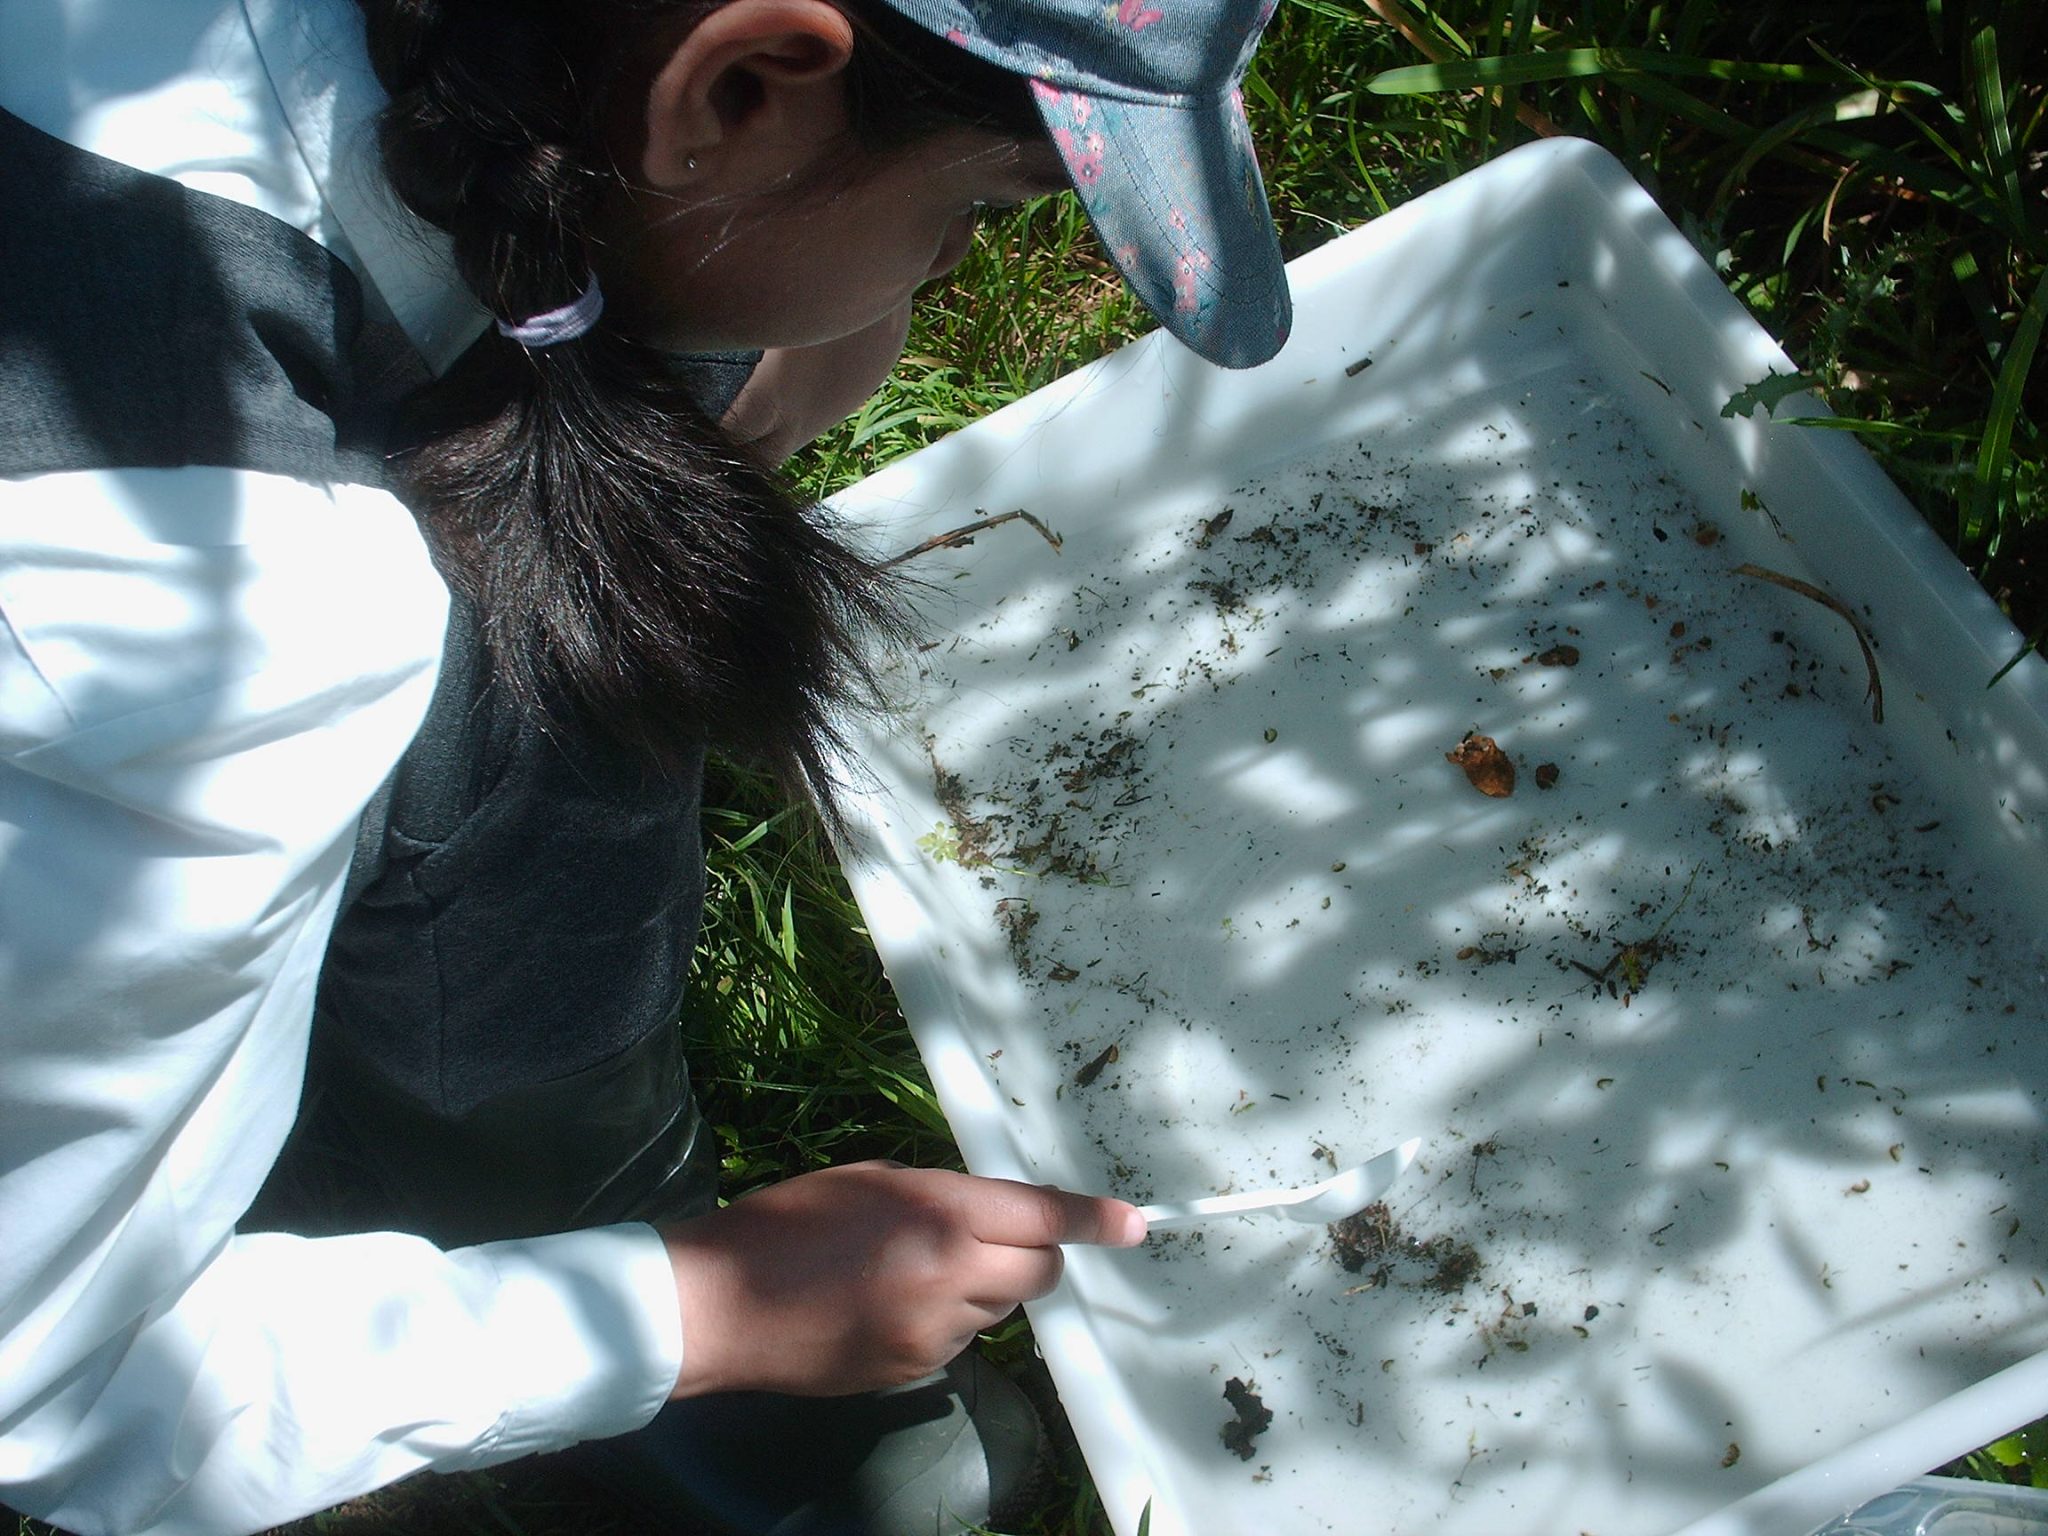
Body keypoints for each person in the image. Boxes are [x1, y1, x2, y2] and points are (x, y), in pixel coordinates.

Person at [0, 0, 1292, 1532]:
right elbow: (55, 1390)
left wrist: (794, 301)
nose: (955, 269)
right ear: (739, 82)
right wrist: (689, 1312)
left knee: (717, 334)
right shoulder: (215, 649)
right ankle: (528, 1242)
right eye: (969, 212)